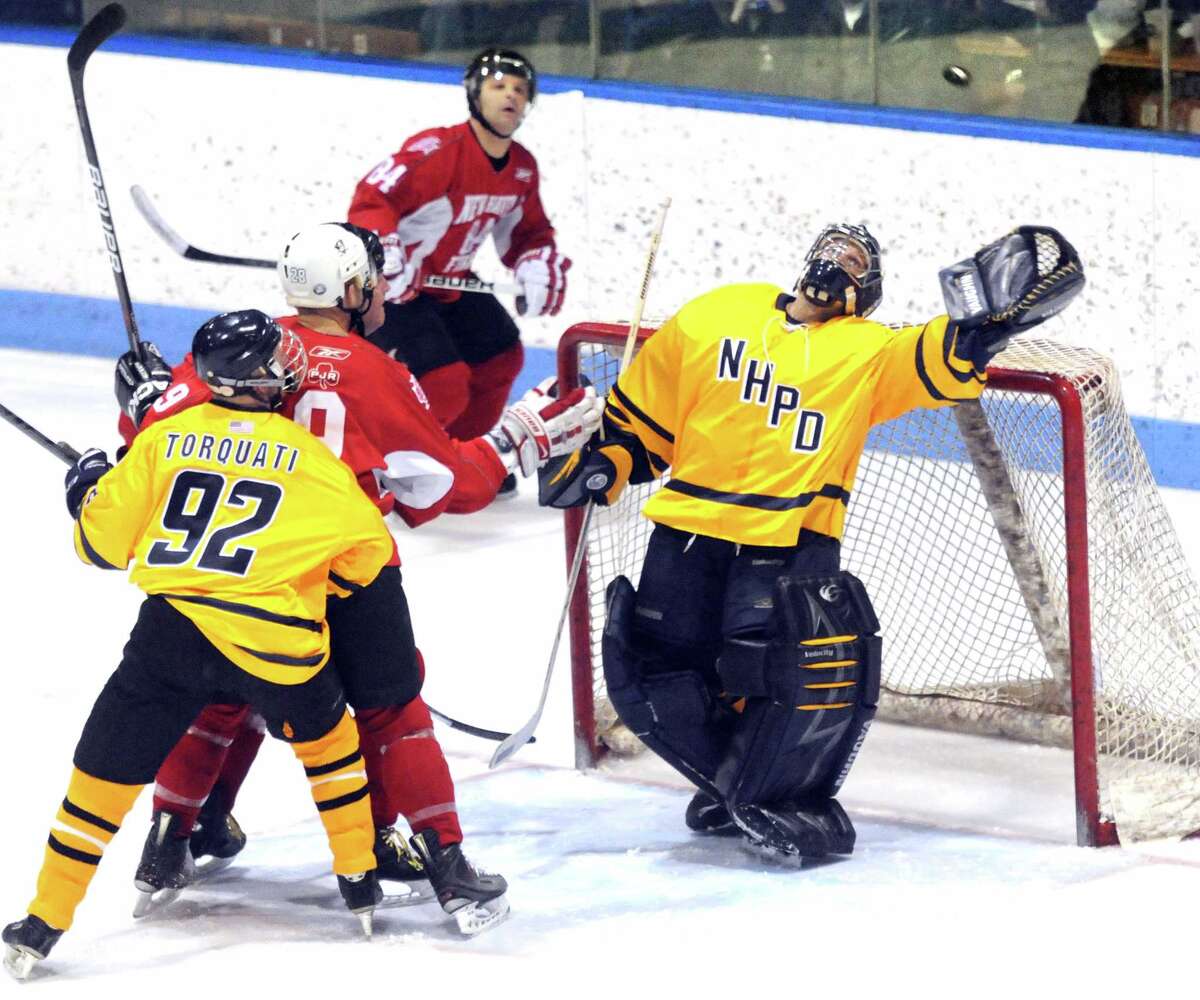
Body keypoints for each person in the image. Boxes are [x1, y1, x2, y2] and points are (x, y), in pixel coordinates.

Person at [113, 222, 600, 935]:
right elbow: (448, 485)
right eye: (371, 279)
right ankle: (443, 865)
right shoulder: (374, 371)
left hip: (241, 573)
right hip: (346, 572)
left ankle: (170, 839)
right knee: (391, 708)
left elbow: (148, 442)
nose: (381, 291)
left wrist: (144, 400)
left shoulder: (236, 349)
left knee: (223, 698)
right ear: (348, 289)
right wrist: (518, 439)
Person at [541, 223, 1084, 860]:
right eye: (834, 249)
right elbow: (644, 424)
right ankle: (735, 784)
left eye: (856, 261)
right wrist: (604, 463)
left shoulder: (866, 349)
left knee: (772, 680)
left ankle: (767, 794)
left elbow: (937, 355)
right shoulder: (720, 311)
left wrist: (982, 331)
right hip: (686, 532)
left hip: (787, 544)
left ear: (866, 293)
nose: (838, 261)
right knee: (655, 677)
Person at [2, 310, 396, 980]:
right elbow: (368, 553)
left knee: (100, 777)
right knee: (331, 747)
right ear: (253, 377)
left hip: (172, 638)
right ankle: (358, 879)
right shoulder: (309, 456)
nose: (287, 366)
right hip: (277, 643)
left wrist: (88, 491)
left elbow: (98, 546)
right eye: (275, 359)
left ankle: (44, 920)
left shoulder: (164, 438)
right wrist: (313, 578)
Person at [348, 47, 570, 495]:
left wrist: (535, 263)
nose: (511, 96)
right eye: (499, 86)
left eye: (520, 89)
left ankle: (458, 459)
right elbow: (373, 199)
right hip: (396, 287)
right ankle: (386, 468)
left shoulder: (521, 168)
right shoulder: (438, 151)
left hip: (449, 282)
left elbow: (527, 232)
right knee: (444, 383)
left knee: (501, 357)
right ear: (474, 94)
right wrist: (383, 254)